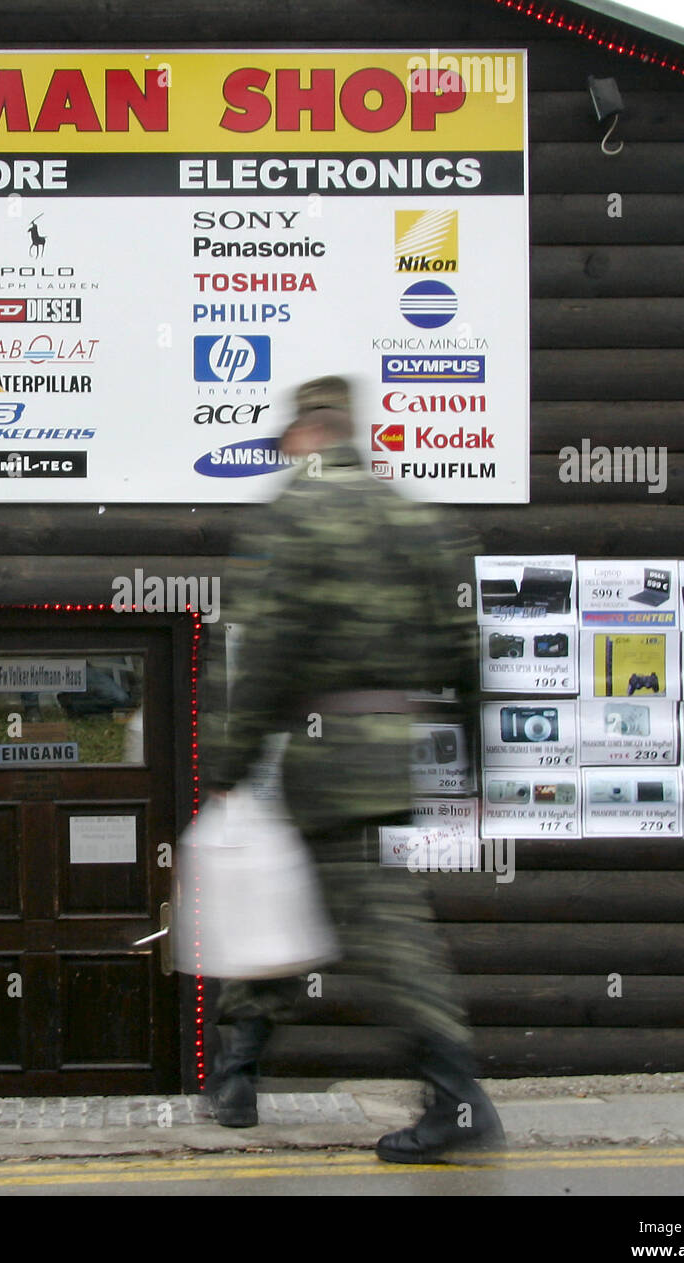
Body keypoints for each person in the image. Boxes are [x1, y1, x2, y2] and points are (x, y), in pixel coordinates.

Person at [202, 375, 501, 1163]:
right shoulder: (415, 519)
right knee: (299, 899)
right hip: (387, 749)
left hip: (311, 752)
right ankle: (237, 1072)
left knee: (373, 926)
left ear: (307, 435)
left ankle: (458, 1100)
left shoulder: (294, 516)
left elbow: (257, 653)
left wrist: (227, 763)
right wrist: (471, 751)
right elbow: (465, 647)